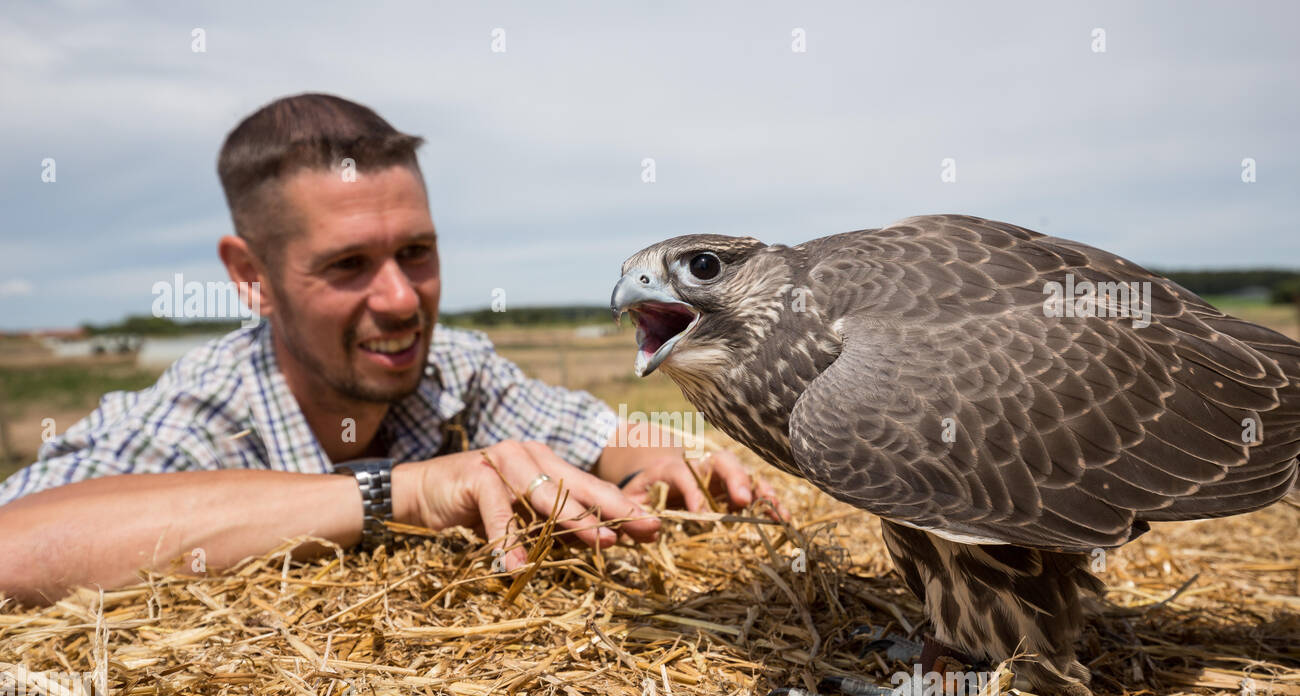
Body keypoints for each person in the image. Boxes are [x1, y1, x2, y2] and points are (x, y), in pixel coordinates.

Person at [0, 93, 780, 606]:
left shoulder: (453, 372)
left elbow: (602, 434)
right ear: (251, 277)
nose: (403, 300)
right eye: (347, 265)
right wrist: (398, 493)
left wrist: (664, 461)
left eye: (416, 252)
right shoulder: (206, 409)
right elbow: (15, 549)